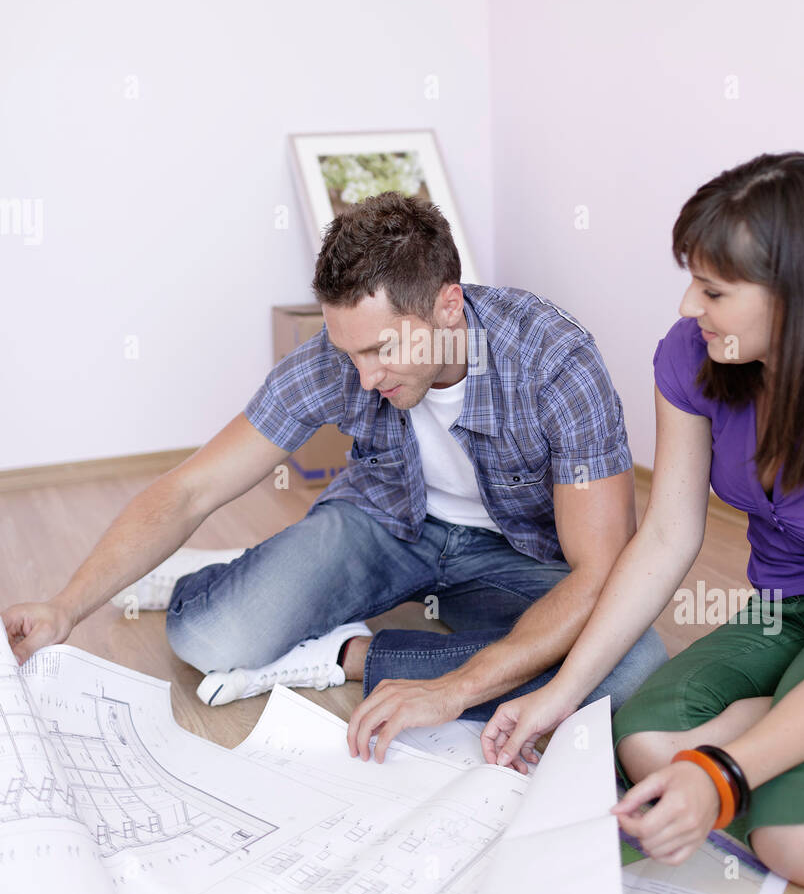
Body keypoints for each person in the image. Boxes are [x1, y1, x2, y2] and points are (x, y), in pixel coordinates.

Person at [2, 192, 667, 765]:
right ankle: (248, 575)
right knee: (209, 640)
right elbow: (190, 489)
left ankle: (346, 652)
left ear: (448, 306)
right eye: (348, 351)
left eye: (383, 350)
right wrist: (65, 606)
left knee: (632, 667)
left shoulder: (554, 359)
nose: (365, 377)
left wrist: (453, 690)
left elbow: (599, 571)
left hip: (512, 559)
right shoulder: (340, 355)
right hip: (383, 526)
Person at [481, 151, 804, 893]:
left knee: (802, 837)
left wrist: (722, 776)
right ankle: (792, 721)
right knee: (644, 741)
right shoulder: (693, 356)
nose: (690, 305)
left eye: (714, 289)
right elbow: (666, 534)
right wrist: (559, 692)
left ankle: (788, 736)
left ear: (796, 294)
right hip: (785, 608)